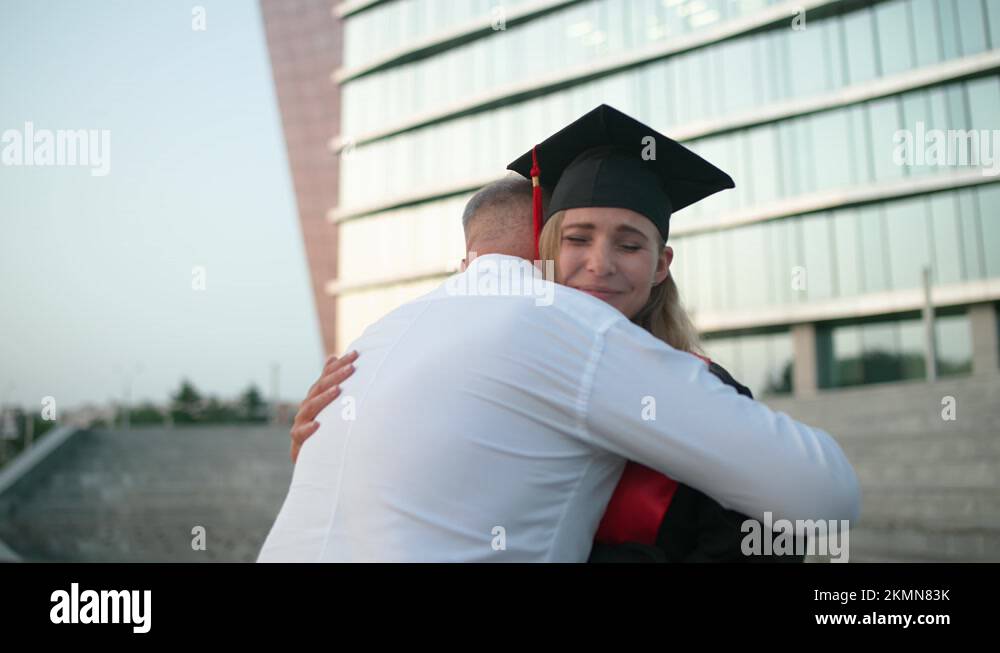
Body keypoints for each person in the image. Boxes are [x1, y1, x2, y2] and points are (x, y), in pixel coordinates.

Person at [258, 106, 860, 563]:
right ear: (542, 251)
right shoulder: (511, 342)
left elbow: (798, 517)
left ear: (660, 266)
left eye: (630, 244)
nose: (600, 263)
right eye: (577, 239)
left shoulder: (700, 389)